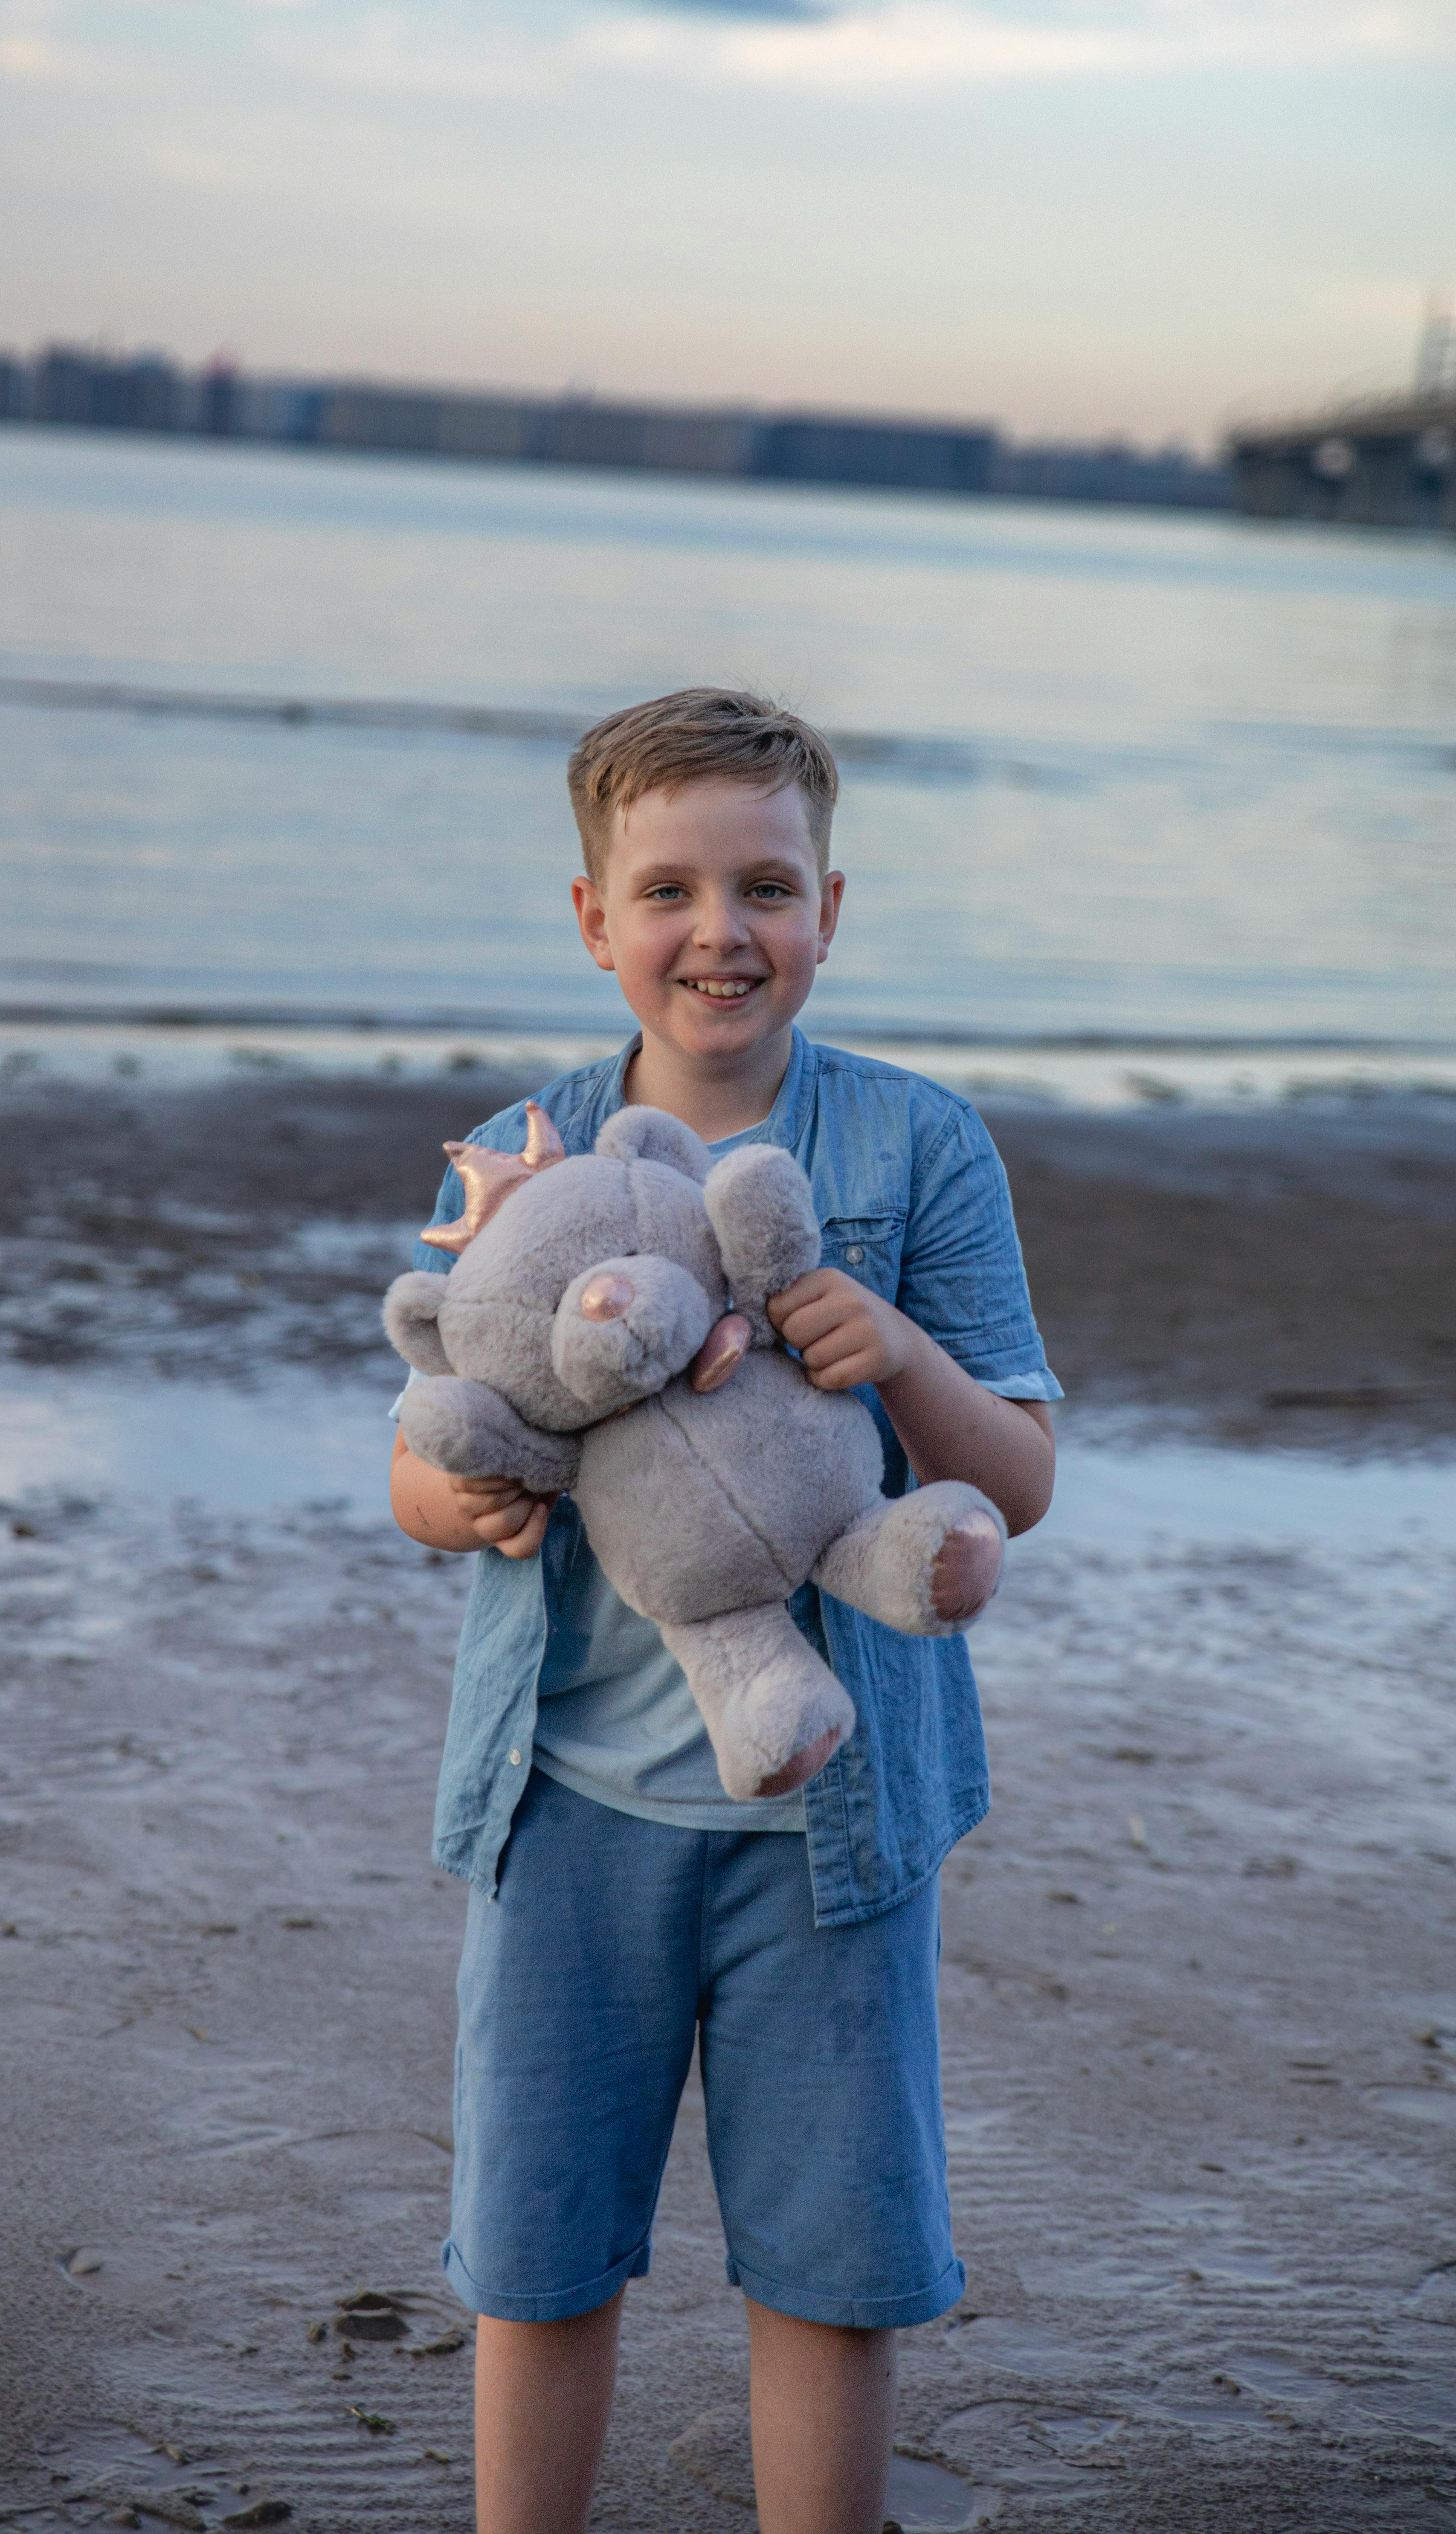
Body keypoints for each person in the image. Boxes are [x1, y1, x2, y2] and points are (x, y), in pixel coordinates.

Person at [389, 687, 1059, 2534]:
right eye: (667, 888)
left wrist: (898, 1354)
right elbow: (423, 1441)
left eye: (765, 886)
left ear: (829, 910)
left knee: (833, 2270)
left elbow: (1015, 1479)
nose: (719, 931)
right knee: (537, 2257)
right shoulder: (515, 1154)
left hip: (833, 1834)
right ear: (592, 918)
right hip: (568, 1810)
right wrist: (447, 1497)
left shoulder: (918, 1148)